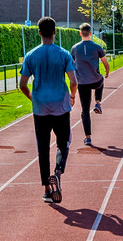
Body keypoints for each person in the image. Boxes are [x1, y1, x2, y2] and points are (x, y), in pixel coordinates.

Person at [20, 17, 77, 203]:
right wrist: (72, 96)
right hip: (61, 106)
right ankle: (58, 172)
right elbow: (74, 81)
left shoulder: (31, 55)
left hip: (40, 109)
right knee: (63, 143)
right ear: (55, 32)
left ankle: (46, 189)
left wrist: (32, 97)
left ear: (39, 32)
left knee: (43, 148)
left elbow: (22, 84)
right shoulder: (64, 54)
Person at [70, 23, 110, 147]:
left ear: (80, 33)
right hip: (95, 81)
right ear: (91, 33)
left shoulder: (75, 48)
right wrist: (107, 72)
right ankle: (98, 102)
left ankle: (88, 138)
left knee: (85, 111)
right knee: (101, 79)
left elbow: (71, 65)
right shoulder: (97, 47)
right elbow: (105, 62)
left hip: (82, 83)